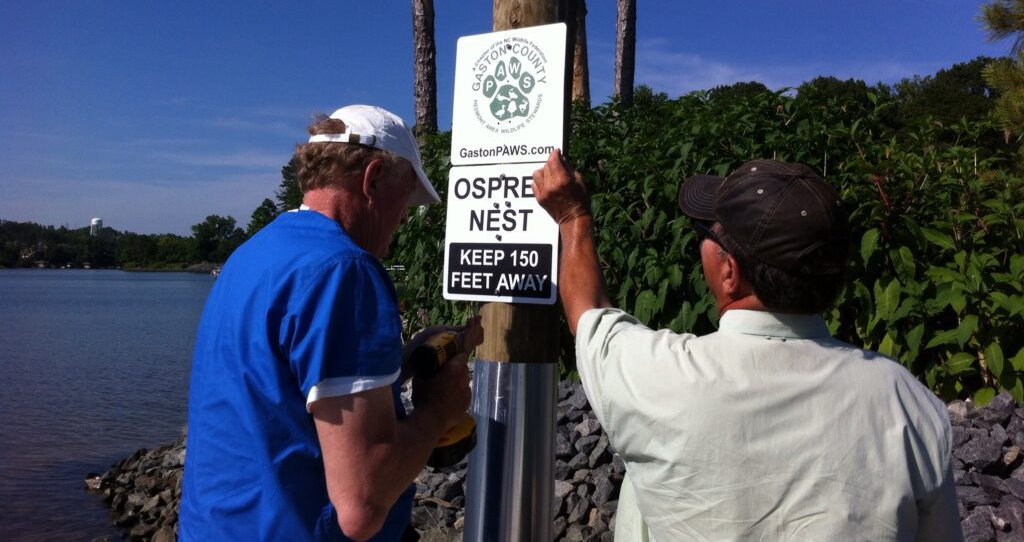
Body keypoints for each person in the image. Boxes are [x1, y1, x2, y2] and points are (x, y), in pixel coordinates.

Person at [532, 152, 963, 542]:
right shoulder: (909, 403)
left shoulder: (661, 377)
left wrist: (572, 216)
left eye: (706, 233)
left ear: (730, 272)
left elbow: (588, 312)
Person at [180, 105, 481, 542]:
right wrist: (438, 412)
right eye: (406, 197)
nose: (404, 217)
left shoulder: (253, 255)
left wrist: (404, 360)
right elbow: (362, 506)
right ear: (373, 178)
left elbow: (287, 387)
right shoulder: (344, 270)